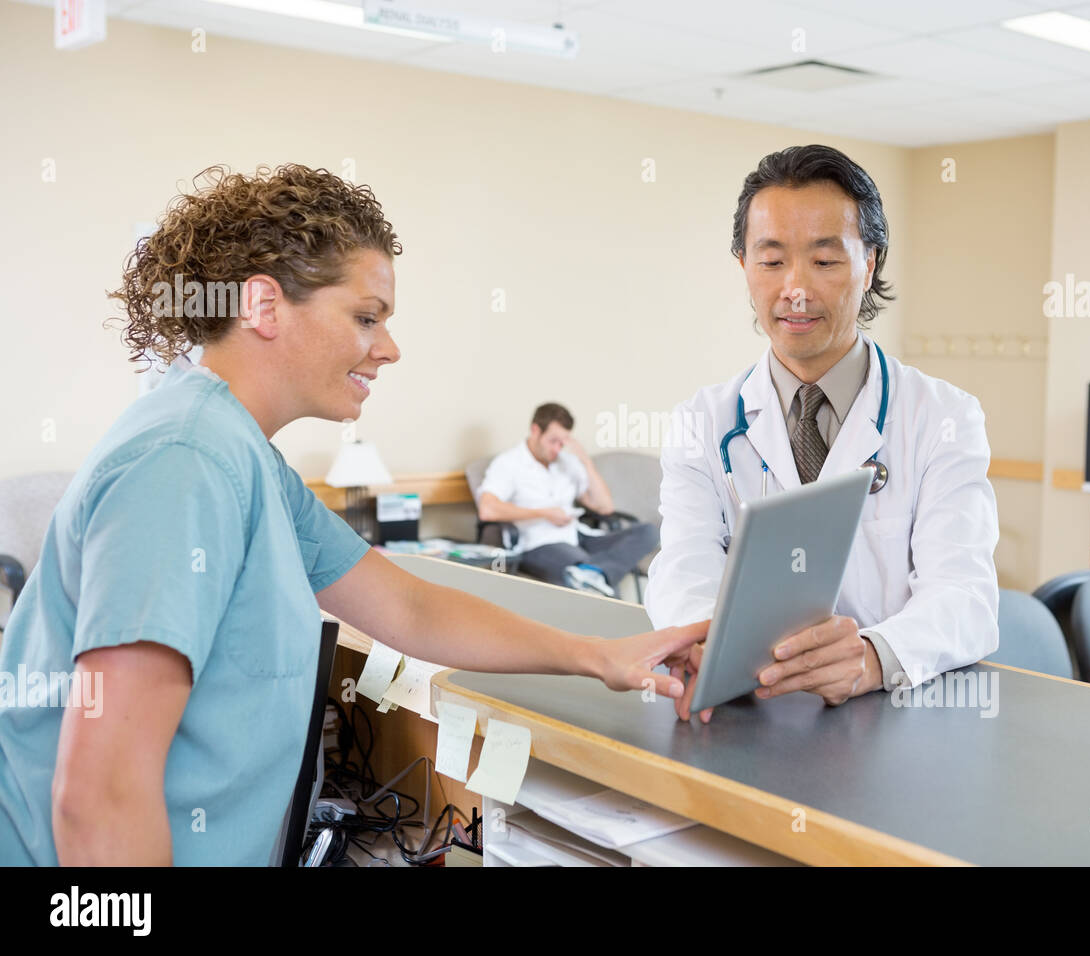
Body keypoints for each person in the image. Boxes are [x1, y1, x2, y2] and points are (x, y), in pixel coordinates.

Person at [0, 164, 704, 866]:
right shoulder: (186, 460)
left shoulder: (244, 457)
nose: (389, 348)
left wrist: (603, 657)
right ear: (264, 307)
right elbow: (99, 797)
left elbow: (410, 610)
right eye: (366, 318)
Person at [645, 144, 999, 722]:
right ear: (743, 267)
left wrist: (870, 657)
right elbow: (683, 562)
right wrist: (707, 642)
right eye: (772, 259)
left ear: (871, 263)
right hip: (743, 716)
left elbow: (966, 596)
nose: (796, 288)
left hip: (889, 723)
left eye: (825, 261)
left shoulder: (942, 417)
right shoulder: (701, 422)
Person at [477, 403, 658, 597]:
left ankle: (596, 572)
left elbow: (605, 507)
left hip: (578, 535)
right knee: (603, 589)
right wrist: (544, 513)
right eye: (553, 441)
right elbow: (488, 509)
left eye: (562, 442)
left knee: (648, 532)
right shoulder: (509, 464)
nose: (557, 448)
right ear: (535, 430)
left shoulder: (567, 462)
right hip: (540, 543)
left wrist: (585, 461)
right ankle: (595, 573)